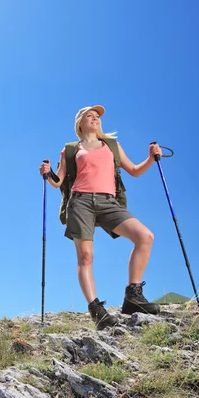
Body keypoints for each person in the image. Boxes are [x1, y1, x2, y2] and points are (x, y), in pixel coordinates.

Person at [39, 105, 162, 330]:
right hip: (80, 202)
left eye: (97, 117)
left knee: (145, 236)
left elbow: (134, 170)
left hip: (108, 202)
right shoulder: (70, 149)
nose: (95, 119)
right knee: (85, 256)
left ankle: (133, 297)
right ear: (80, 123)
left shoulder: (111, 146)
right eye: (90, 116)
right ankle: (97, 310)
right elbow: (58, 181)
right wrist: (48, 174)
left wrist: (151, 159)